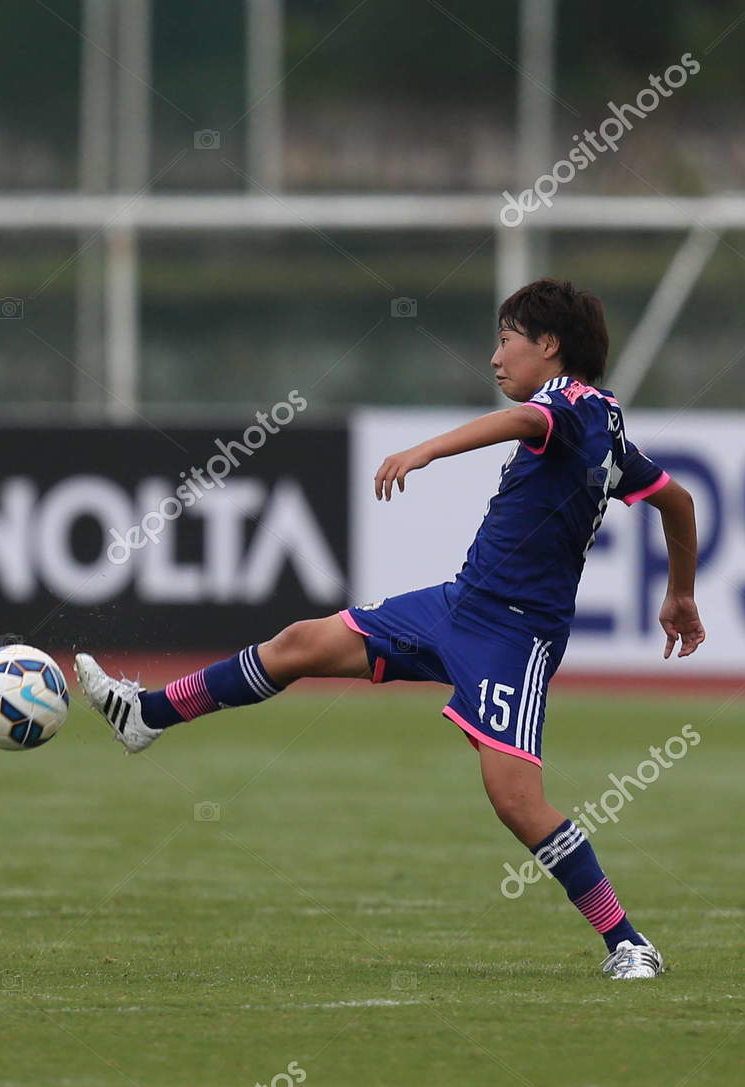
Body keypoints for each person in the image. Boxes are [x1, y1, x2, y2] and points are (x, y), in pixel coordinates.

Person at [76, 278, 705, 979]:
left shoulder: (567, 403)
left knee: (516, 800)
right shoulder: (606, 423)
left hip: (514, 636)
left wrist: (428, 449)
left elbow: (529, 424)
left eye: (506, 339)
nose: (495, 356)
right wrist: (680, 592)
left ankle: (629, 942)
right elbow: (675, 502)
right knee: (301, 643)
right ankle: (146, 715)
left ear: (549, 346)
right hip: (459, 604)